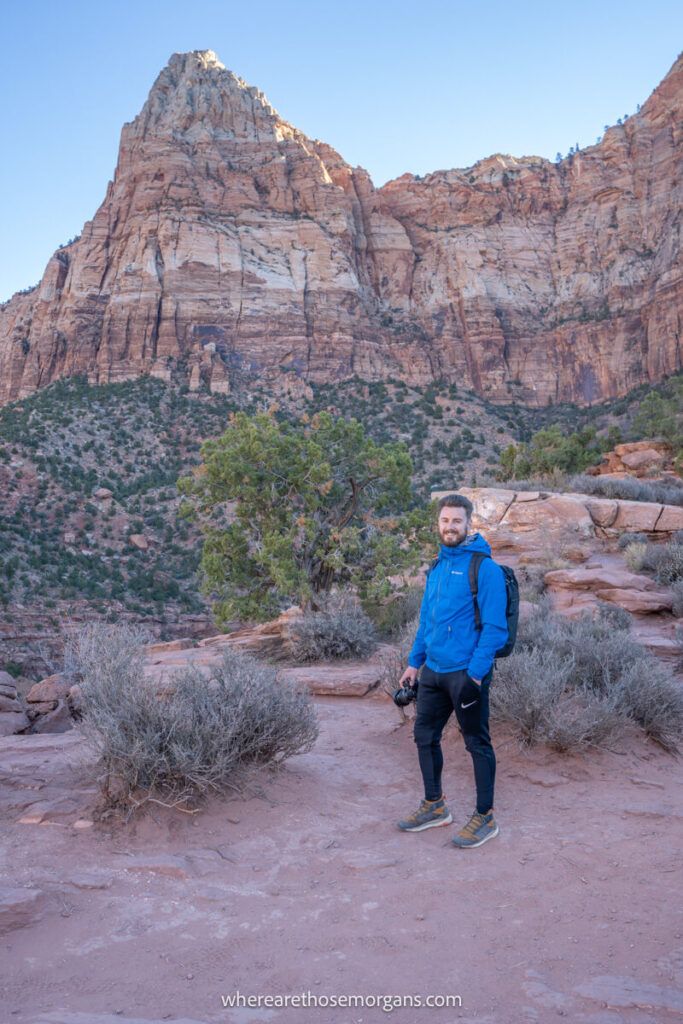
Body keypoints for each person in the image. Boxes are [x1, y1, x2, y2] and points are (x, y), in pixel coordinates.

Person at [396, 493, 508, 848]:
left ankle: (485, 817)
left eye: (456, 521)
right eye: (445, 521)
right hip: (433, 671)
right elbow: (427, 620)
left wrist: (475, 675)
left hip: (465, 673)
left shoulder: (485, 569)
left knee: (477, 743)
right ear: (438, 524)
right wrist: (414, 662)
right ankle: (435, 805)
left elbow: (495, 629)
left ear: (469, 524)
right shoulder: (437, 567)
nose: (450, 527)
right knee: (424, 736)